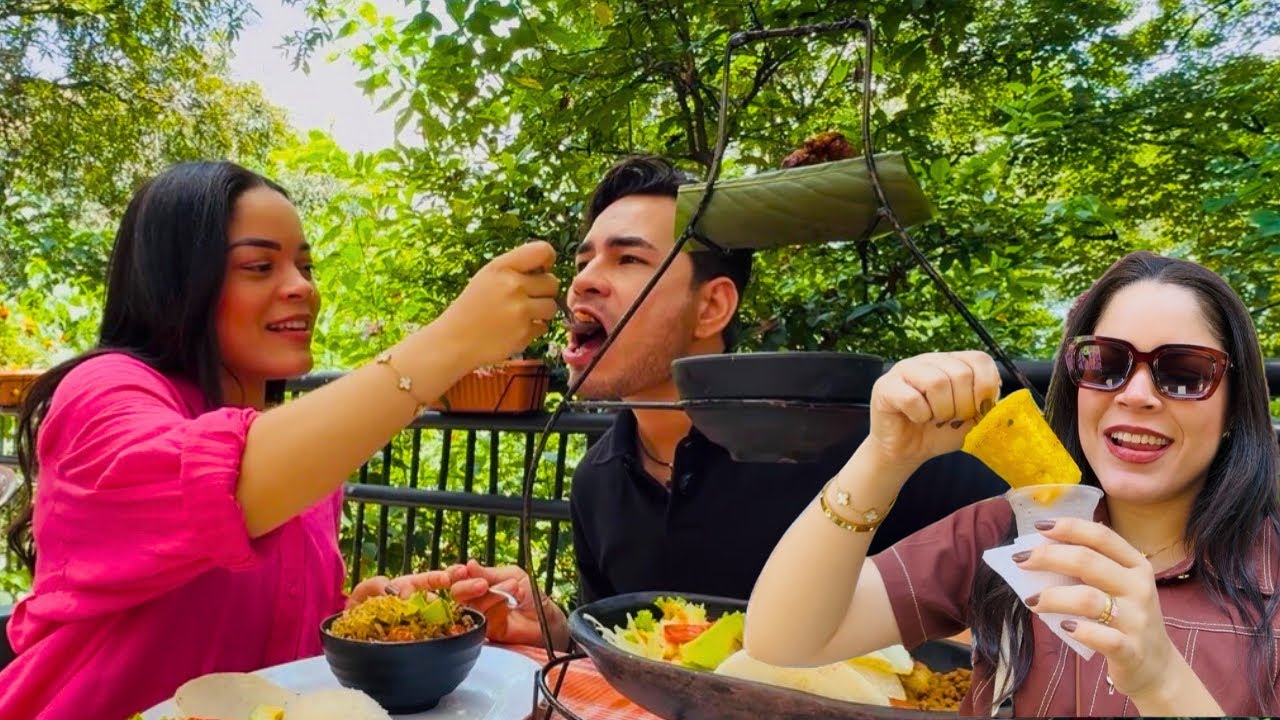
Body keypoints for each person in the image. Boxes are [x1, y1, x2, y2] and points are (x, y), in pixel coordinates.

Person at [366, 155, 1006, 651]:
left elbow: (1031, 572)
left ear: (712, 306)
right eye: (586, 258)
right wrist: (557, 628)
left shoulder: (845, 441)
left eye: (628, 259)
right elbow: (634, 651)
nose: (584, 279)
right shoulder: (599, 475)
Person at [0, 161, 560, 719]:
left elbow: (272, 656)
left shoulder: (294, 450)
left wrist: (364, 619)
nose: (302, 288)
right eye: (260, 265)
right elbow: (221, 487)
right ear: (177, 279)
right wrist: (453, 339)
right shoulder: (103, 392)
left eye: (304, 266)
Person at [745, 251, 1280, 716]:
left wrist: (1160, 678)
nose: (1137, 394)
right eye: (1104, 362)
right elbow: (782, 639)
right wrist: (883, 458)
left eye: (1185, 372)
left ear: (1235, 404)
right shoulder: (1003, 532)